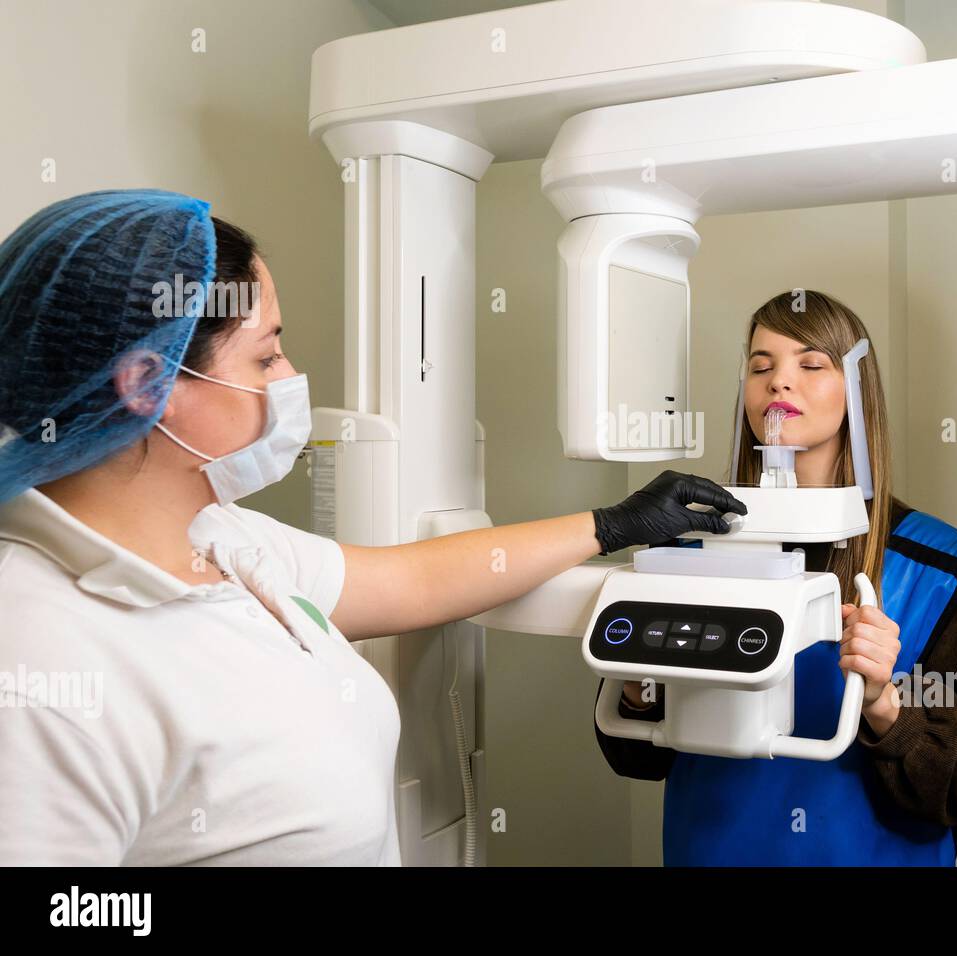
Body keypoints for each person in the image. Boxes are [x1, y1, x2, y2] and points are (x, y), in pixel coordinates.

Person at [0, 188, 746, 865]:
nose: (288, 379)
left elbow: (412, 578)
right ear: (144, 385)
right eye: (265, 357)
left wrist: (612, 522)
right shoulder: (38, 654)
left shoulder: (223, 539)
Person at [594, 289, 957, 865]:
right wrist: (639, 683)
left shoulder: (942, 572)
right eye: (762, 367)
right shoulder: (689, 551)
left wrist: (884, 700)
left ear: (857, 392)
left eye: (811, 364)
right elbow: (634, 758)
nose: (779, 382)